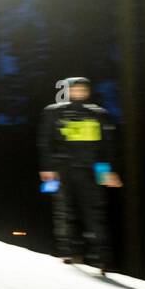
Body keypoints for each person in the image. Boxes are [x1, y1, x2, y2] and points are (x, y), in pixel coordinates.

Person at [38, 76, 121, 271]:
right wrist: (47, 168)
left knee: (94, 213)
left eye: (82, 89)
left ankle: (100, 256)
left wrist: (107, 172)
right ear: (67, 91)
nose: (78, 92)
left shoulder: (98, 114)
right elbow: (45, 142)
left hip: (90, 171)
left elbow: (106, 147)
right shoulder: (54, 112)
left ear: (88, 91)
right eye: (74, 89)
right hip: (62, 170)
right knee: (63, 211)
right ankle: (68, 250)